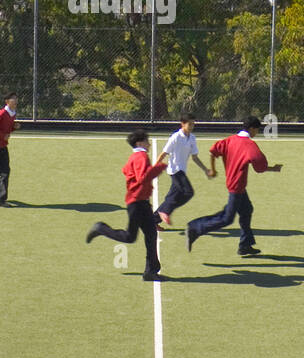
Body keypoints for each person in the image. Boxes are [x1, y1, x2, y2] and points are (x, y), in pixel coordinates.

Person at [185, 116, 282, 257]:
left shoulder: (229, 140)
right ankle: (195, 228)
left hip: (236, 185)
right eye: (257, 130)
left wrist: (212, 169)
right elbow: (260, 167)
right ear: (252, 129)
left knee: (247, 210)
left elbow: (213, 151)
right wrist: (273, 168)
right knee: (227, 218)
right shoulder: (250, 145)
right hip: (236, 186)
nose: (257, 133)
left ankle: (245, 245)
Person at [86, 130, 168, 281]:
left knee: (151, 234)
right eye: (146, 141)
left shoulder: (135, 156)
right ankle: (101, 228)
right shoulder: (141, 156)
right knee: (130, 237)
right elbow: (143, 177)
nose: (149, 144)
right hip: (137, 203)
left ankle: (150, 271)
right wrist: (159, 168)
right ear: (139, 143)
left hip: (141, 202)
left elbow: (126, 170)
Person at [155, 110, 213, 229]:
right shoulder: (175, 137)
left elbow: (195, 157)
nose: (192, 126)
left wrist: (205, 169)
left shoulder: (192, 138)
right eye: (189, 124)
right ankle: (164, 211)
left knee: (172, 197)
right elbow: (163, 154)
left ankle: (153, 220)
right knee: (188, 192)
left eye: (193, 124)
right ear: (183, 124)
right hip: (175, 170)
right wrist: (153, 169)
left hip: (182, 170)